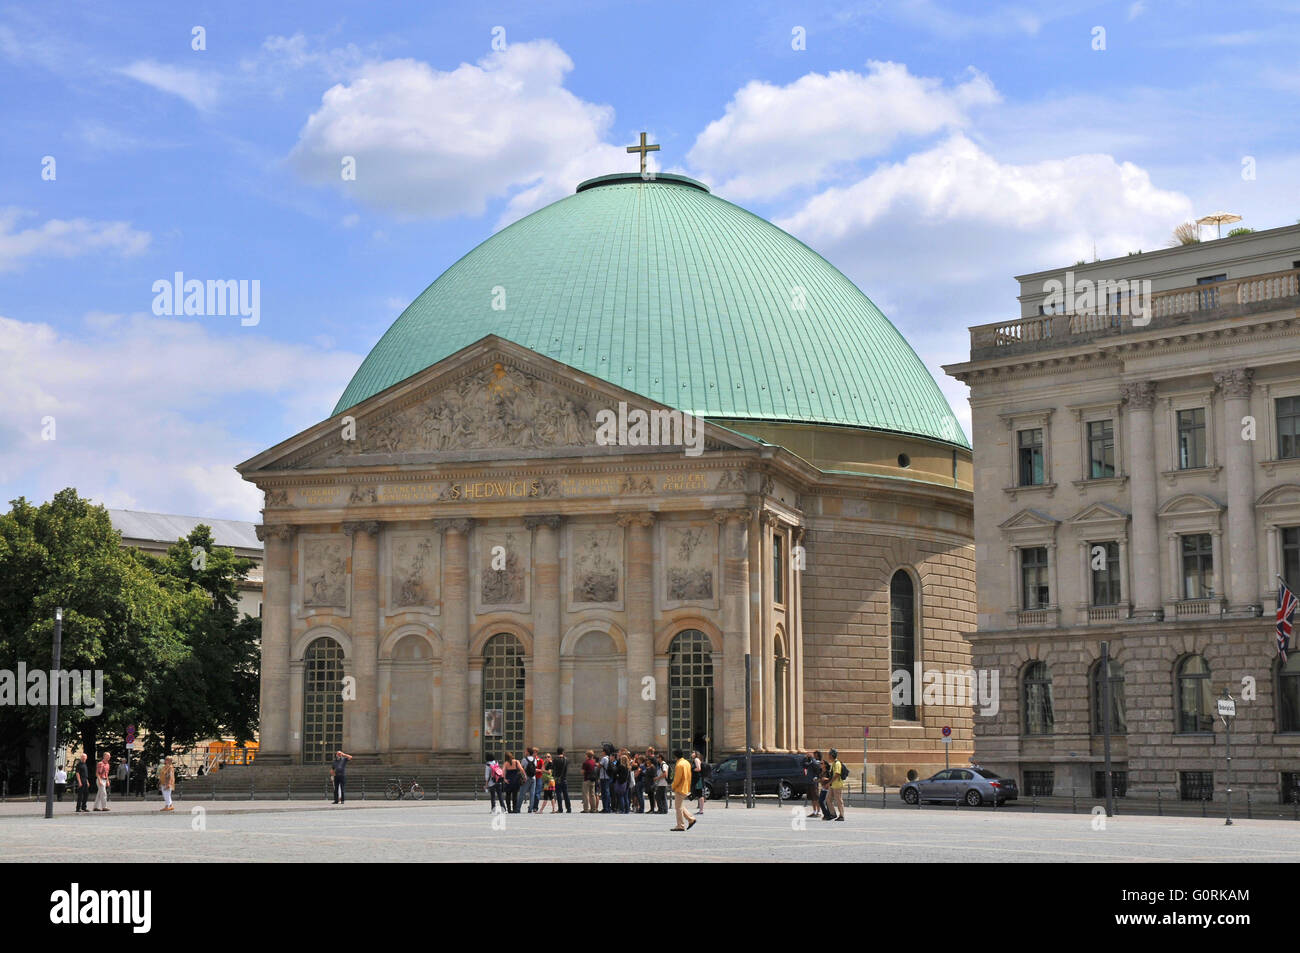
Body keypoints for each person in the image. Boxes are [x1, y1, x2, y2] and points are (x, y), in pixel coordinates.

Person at [670, 750, 696, 831]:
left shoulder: (679, 764)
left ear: (675, 756)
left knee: (678, 808)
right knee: (680, 806)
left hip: (680, 788)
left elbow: (678, 778)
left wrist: (673, 786)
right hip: (686, 786)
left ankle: (680, 825)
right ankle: (691, 819)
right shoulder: (686, 763)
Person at [828, 748, 846, 821]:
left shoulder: (837, 763)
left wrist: (829, 782)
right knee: (828, 799)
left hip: (837, 785)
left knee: (838, 800)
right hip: (833, 785)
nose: (828, 756)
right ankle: (833, 814)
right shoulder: (833, 763)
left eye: (829, 754)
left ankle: (841, 815)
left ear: (832, 755)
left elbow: (837, 774)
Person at [552, 747, 571, 813]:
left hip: (557, 779)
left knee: (558, 794)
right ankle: (569, 809)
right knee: (566, 794)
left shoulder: (555, 760)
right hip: (564, 778)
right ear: (563, 752)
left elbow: (553, 768)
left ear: (557, 752)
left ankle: (560, 809)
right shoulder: (566, 759)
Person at [804, 750, 822, 817]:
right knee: (812, 798)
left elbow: (815, 765)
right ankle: (814, 811)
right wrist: (806, 758)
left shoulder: (818, 762)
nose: (813, 755)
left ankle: (819, 812)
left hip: (814, 782)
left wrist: (811, 758)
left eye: (815, 754)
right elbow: (805, 765)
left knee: (816, 798)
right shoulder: (812, 761)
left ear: (817, 755)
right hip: (810, 782)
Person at [521, 747, 538, 813]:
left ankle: (518, 808)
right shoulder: (535, 759)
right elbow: (535, 768)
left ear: (528, 752)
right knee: (532, 794)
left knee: (522, 793)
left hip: (526, 778)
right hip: (533, 778)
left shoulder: (524, 759)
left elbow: (522, 768)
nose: (525, 752)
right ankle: (530, 808)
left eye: (525, 751)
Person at [598, 746, 612, 813]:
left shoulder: (604, 758)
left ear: (604, 752)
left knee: (604, 793)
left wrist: (597, 764)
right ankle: (608, 807)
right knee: (607, 793)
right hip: (609, 776)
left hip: (603, 777)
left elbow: (599, 766)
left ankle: (605, 808)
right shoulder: (609, 758)